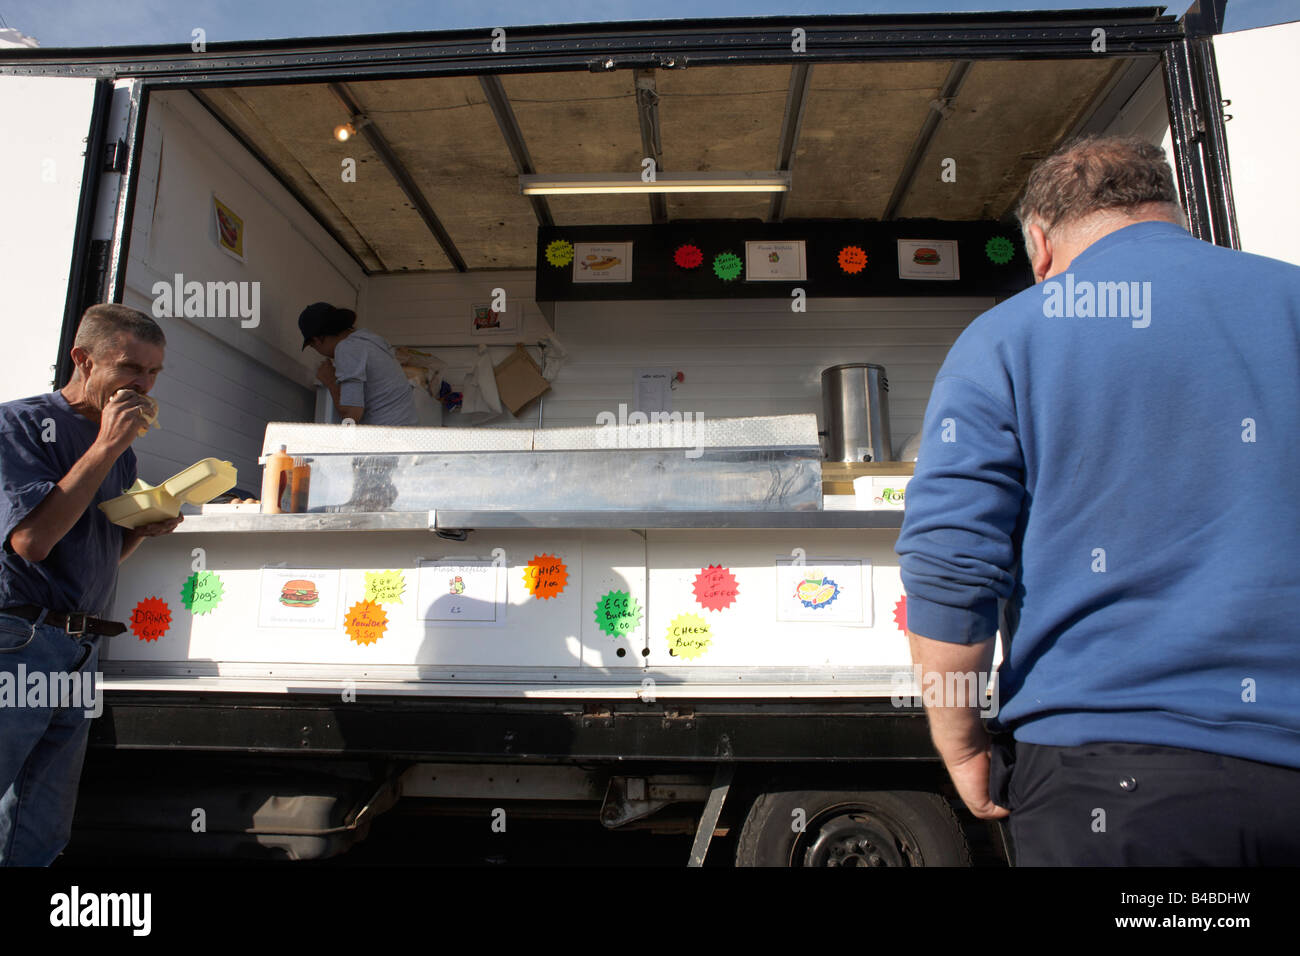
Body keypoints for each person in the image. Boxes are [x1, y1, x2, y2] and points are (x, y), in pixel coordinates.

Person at [895, 135, 1300, 866]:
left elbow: (952, 561)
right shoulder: (1290, 298)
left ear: (1040, 244)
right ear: (1170, 212)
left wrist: (960, 740)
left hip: (1115, 783)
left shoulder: (1006, 338)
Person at [1, 303, 182, 866]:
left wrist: (143, 533)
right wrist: (105, 447)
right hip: (20, 643)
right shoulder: (20, 426)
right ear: (83, 359)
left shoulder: (120, 451)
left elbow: (93, 551)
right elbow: (32, 541)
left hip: (80, 649)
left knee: (39, 823)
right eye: (131, 368)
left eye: (153, 373)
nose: (144, 385)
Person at [298, 302, 418, 427]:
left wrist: (330, 380)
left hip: (388, 438)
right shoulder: (369, 339)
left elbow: (352, 414)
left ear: (317, 340)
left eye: (313, 346)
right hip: (404, 434)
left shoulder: (347, 348)